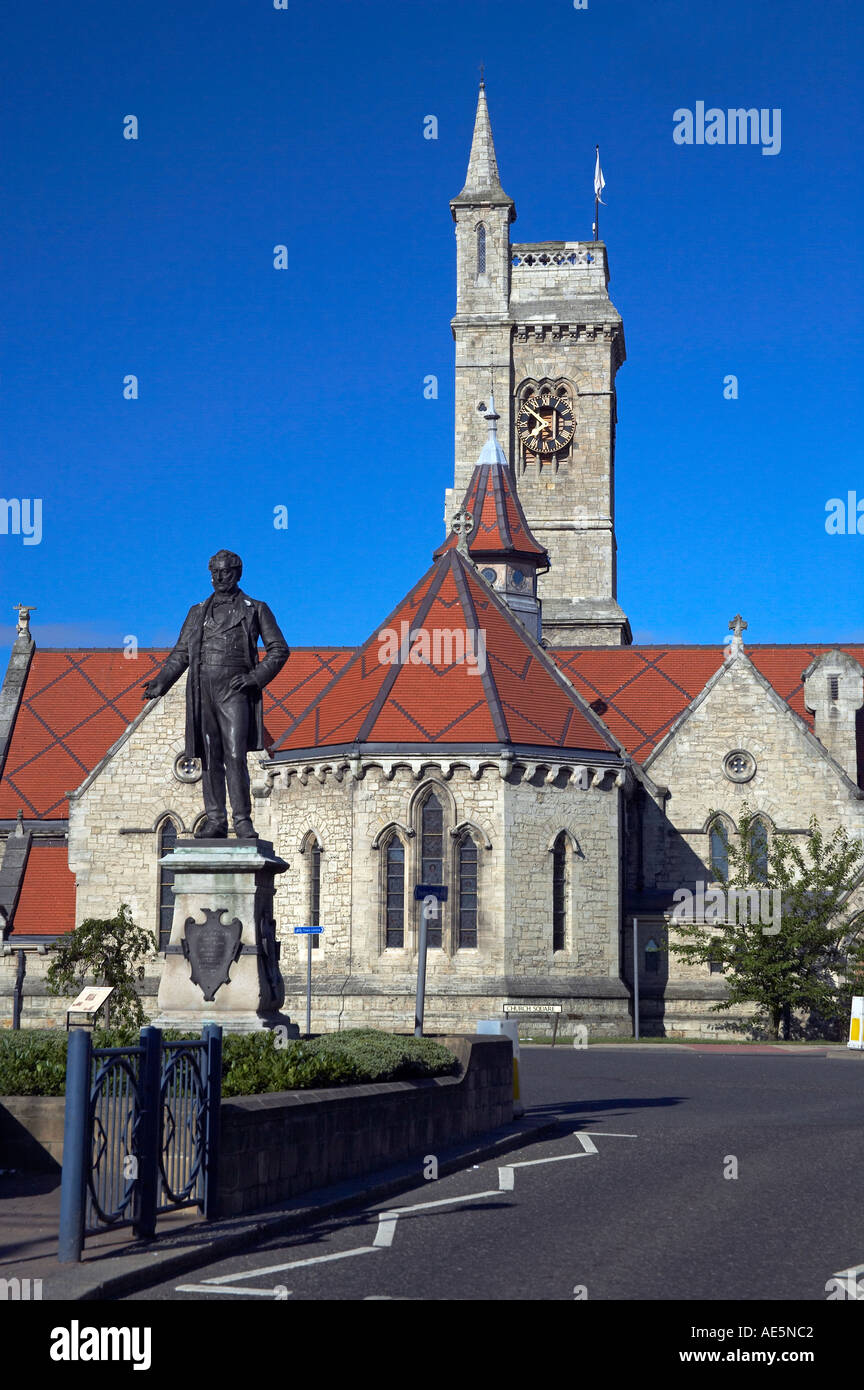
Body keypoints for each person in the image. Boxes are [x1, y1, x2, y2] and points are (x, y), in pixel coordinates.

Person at [142, 550, 289, 838]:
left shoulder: (255, 608)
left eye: (225, 572)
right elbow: (181, 652)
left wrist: (254, 678)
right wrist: (161, 681)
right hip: (202, 689)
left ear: (238, 573)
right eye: (215, 573)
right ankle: (215, 819)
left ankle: (242, 819)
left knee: (235, 755)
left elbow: (279, 649)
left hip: (235, 689)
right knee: (210, 755)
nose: (219, 578)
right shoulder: (197, 612)